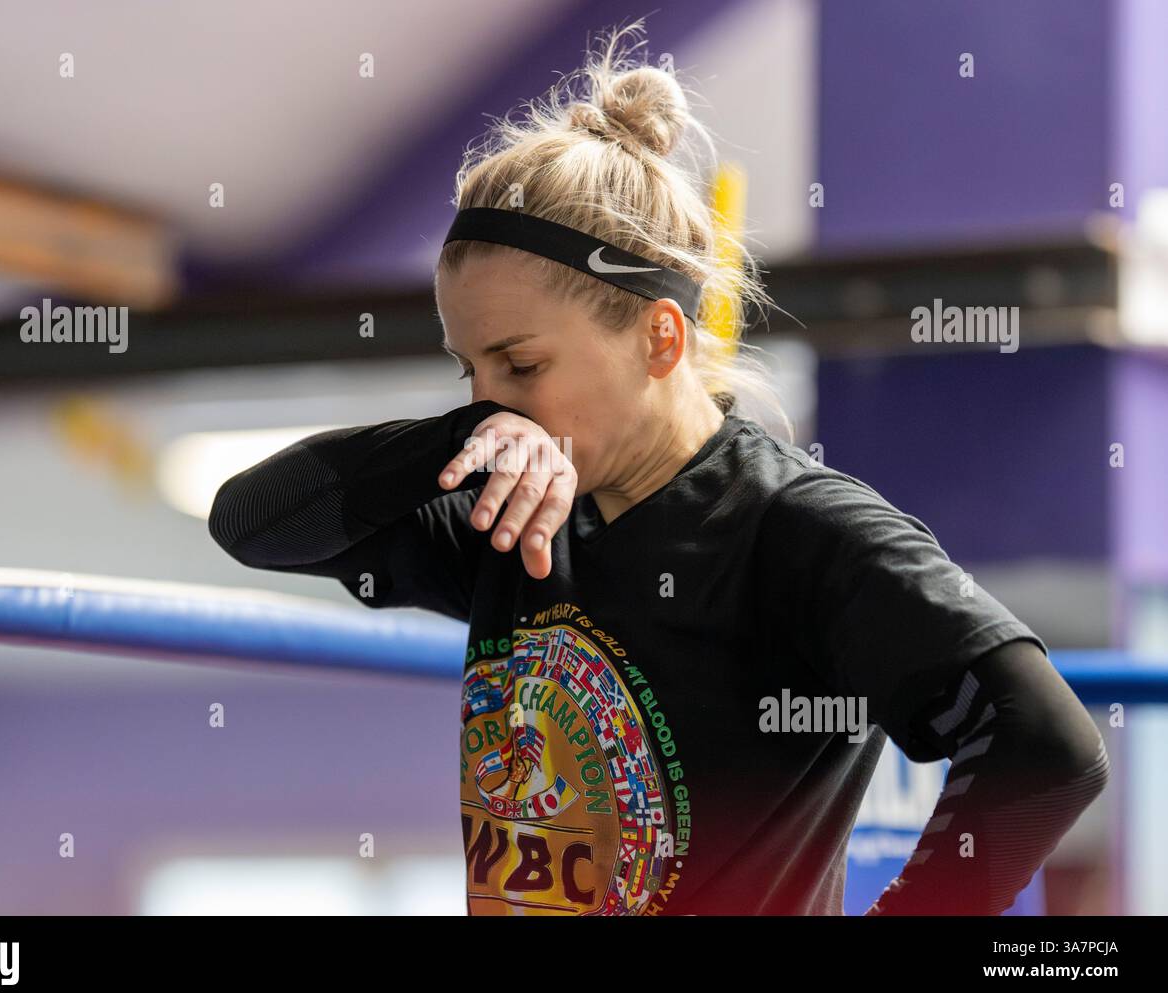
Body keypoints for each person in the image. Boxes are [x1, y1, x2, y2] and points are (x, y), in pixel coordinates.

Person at [208, 20, 1109, 915]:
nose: (489, 402)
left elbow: (1045, 747)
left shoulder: (796, 530)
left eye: (521, 366)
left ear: (659, 336)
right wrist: (442, 444)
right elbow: (252, 521)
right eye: (468, 371)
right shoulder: (508, 511)